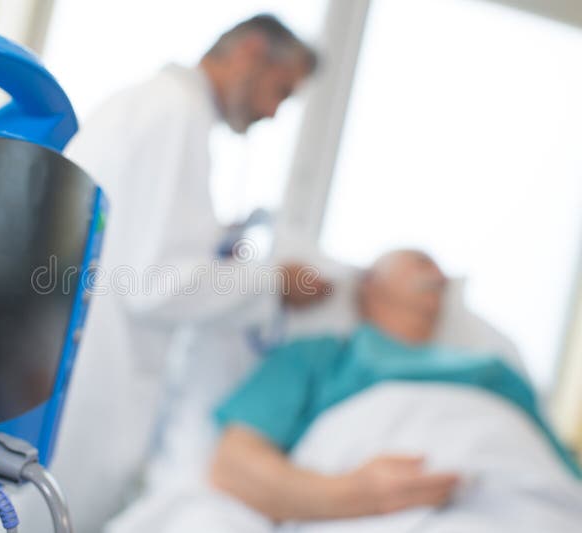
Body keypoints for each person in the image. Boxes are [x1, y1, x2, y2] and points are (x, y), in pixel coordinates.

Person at [51, 14, 326, 532]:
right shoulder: (177, 113)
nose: (273, 112)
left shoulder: (151, 104)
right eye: (280, 91)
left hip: (70, 376)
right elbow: (157, 285)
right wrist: (273, 282)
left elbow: (138, 251)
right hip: (90, 395)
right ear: (250, 52)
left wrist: (215, 248)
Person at [209, 250, 581, 525]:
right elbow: (234, 465)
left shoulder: (495, 370)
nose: (439, 276)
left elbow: (558, 472)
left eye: (440, 270)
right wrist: (354, 495)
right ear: (369, 281)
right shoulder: (320, 356)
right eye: (420, 262)